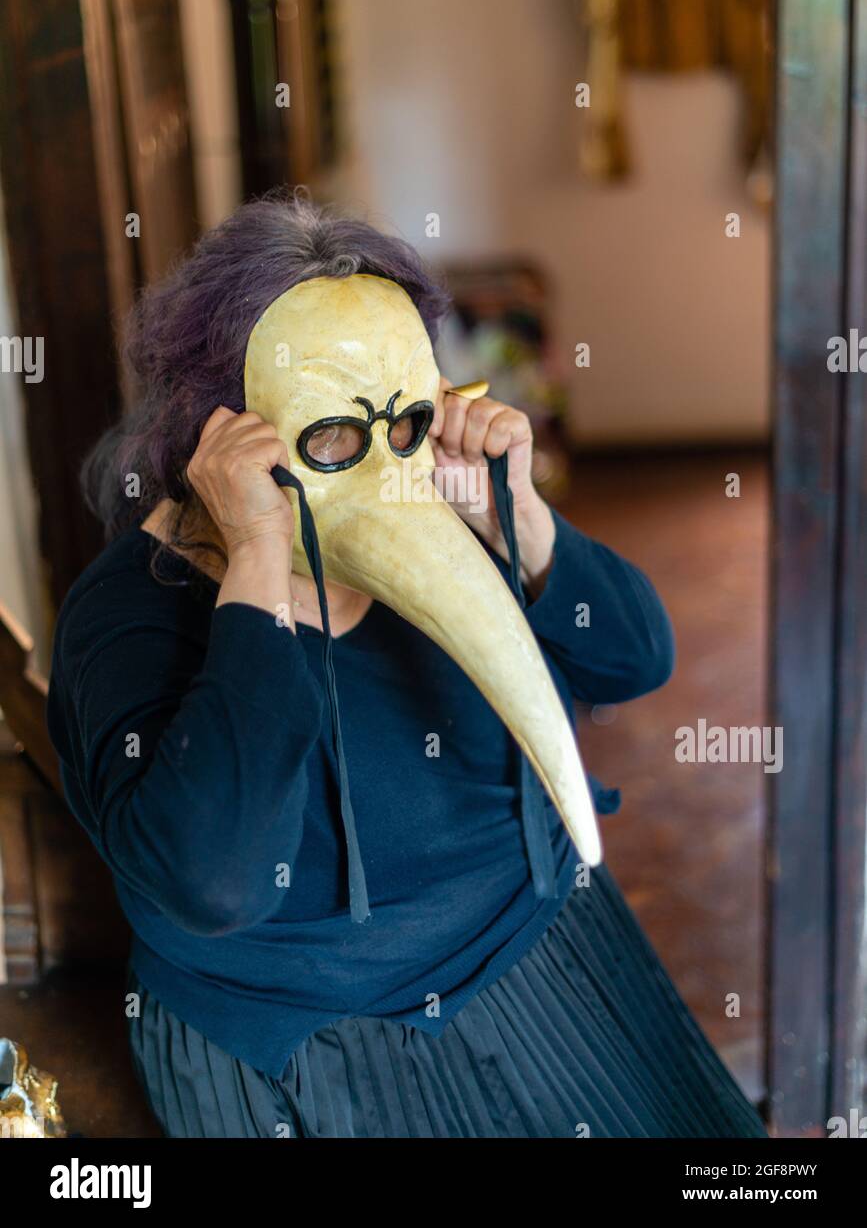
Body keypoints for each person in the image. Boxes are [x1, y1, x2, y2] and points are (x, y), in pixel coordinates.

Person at [47, 193, 767, 1139]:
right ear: (217, 432)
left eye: (405, 425)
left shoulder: (442, 511)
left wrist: (520, 517)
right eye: (332, 438)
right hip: (305, 1054)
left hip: (546, 958)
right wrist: (259, 560)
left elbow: (634, 658)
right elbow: (209, 883)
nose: (388, 469)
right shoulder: (127, 616)